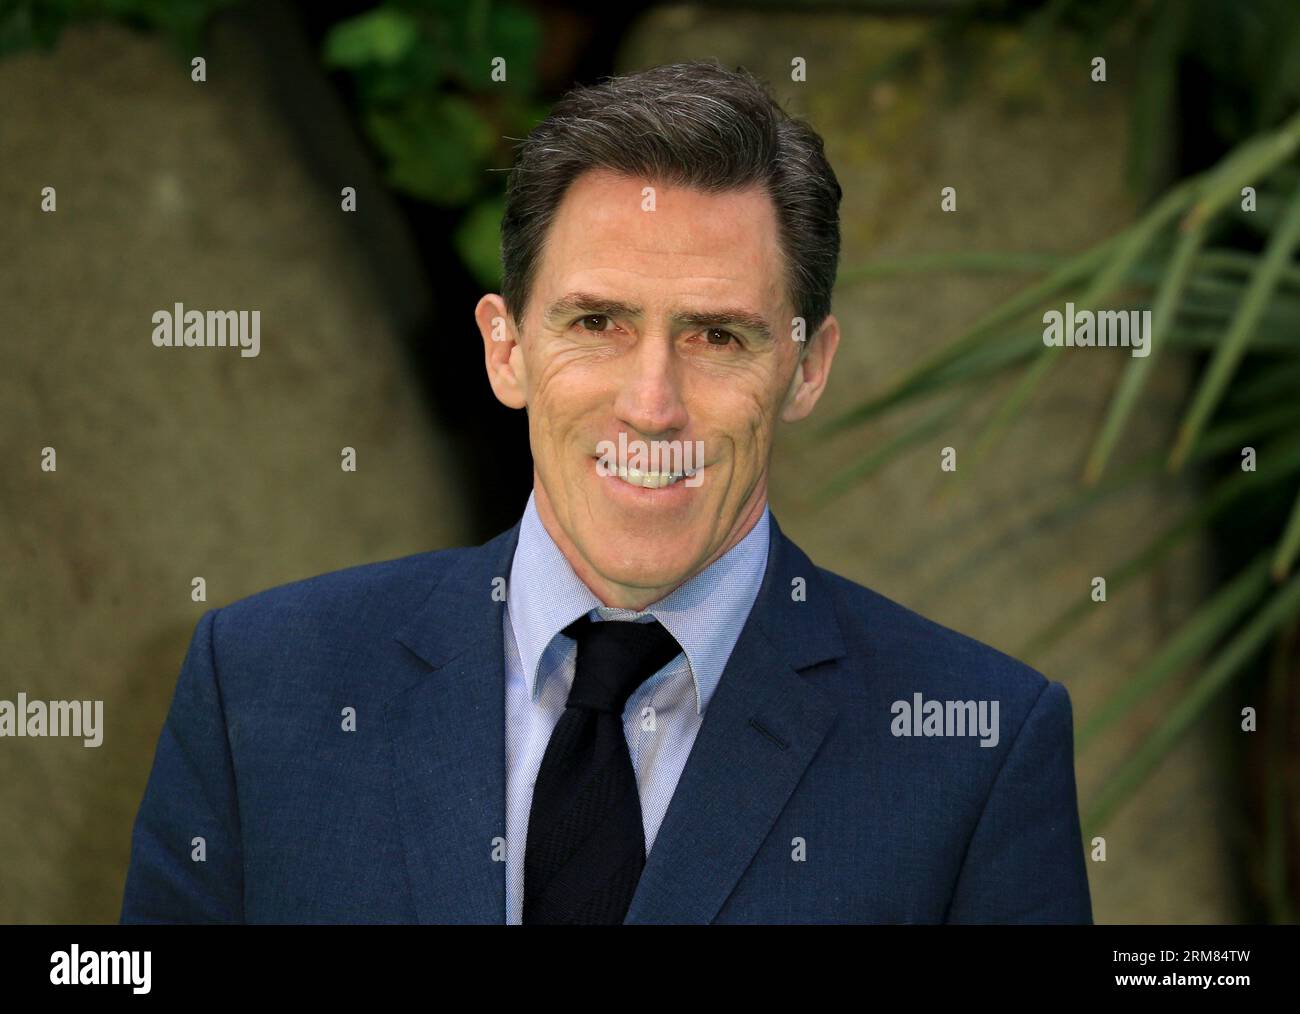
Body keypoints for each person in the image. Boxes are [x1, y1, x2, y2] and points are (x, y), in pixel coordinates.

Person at [120, 59, 1092, 924]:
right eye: (597, 322)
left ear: (806, 368)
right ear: (506, 347)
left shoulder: (978, 752)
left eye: (718, 335)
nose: (652, 404)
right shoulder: (258, 690)